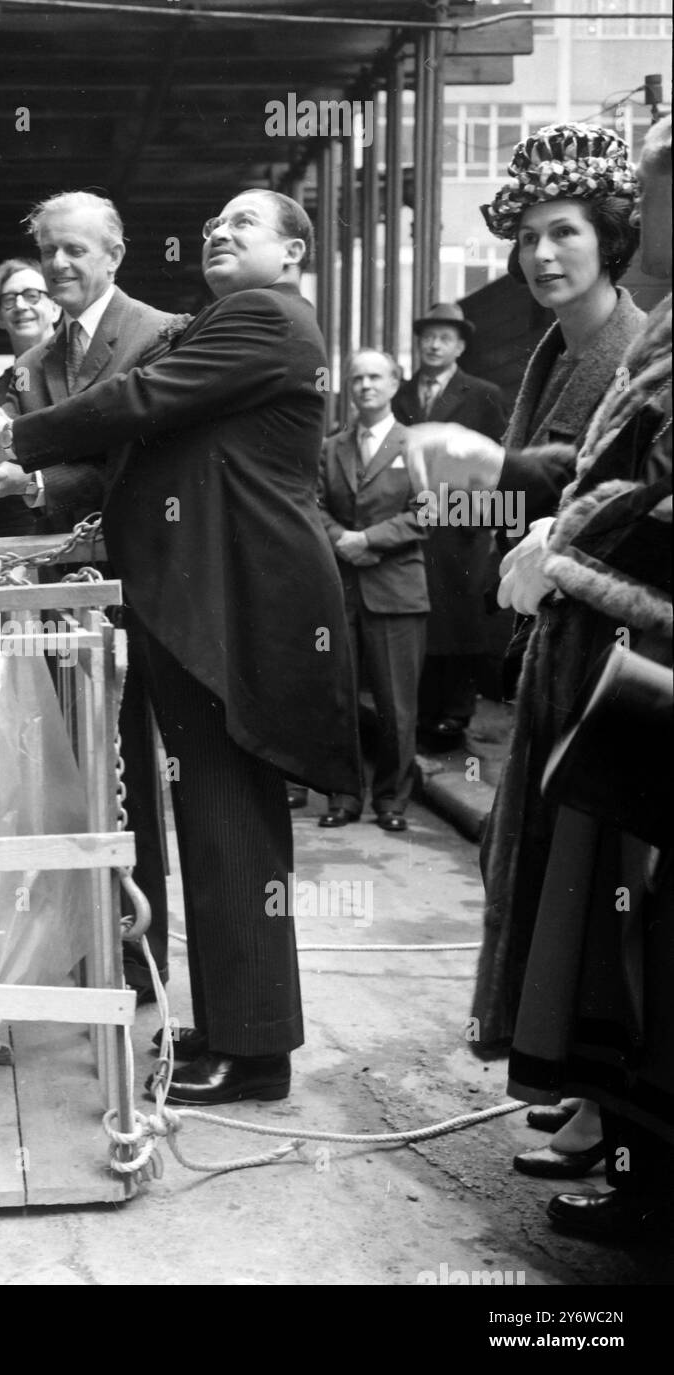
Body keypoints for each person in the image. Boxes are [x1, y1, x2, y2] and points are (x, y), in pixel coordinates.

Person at [0, 189, 360, 1104]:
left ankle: (252, 1052)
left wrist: (15, 433)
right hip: (206, 607)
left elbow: (138, 396)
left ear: (291, 254)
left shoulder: (265, 318)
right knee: (218, 823)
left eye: (242, 225)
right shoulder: (228, 322)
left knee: (230, 826)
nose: (217, 232)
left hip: (237, 607)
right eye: (211, 224)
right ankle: (232, 1027)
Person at [407, 120, 667, 1239]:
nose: (542, 255)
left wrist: (515, 496)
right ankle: (583, 1097)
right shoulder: (568, 346)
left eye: (565, 232)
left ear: (612, 238)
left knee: (599, 886)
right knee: (565, 876)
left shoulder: (625, 341)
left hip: (616, 647)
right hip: (562, 635)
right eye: (526, 237)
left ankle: (599, 1107)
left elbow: (595, 480)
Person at [0, 192, 182, 1004]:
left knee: (129, 774)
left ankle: (141, 959)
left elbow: (134, 462)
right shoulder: (35, 361)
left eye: (74, 251)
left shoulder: (157, 334)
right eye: (49, 249)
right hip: (59, 593)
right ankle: (84, 951)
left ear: (115, 253)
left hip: (139, 587)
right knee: (69, 773)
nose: (58, 264)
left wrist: (29, 475)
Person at [316, 349, 428, 834]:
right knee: (338, 699)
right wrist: (342, 540)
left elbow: (428, 511)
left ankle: (391, 800)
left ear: (395, 382)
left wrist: (369, 541)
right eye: (357, 378)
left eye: (375, 377)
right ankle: (344, 797)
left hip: (397, 589)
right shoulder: (330, 447)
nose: (365, 386)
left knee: (395, 704)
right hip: (342, 587)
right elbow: (311, 504)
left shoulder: (416, 445)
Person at [393, 303, 509, 749]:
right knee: (416, 614)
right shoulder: (400, 394)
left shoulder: (482, 393)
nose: (435, 344)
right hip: (410, 518)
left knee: (459, 617)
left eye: (445, 338)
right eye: (428, 337)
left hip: (460, 521)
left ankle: (455, 714)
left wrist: (493, 522)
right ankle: (421, 712)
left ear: (460, 346)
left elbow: (499, 459)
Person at [0, 259, 60, 537]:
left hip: (71, 537)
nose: (21, 305)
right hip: (6, 547)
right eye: (9, 300)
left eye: (32, 295)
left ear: (55, 307)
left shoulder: (80, 379)